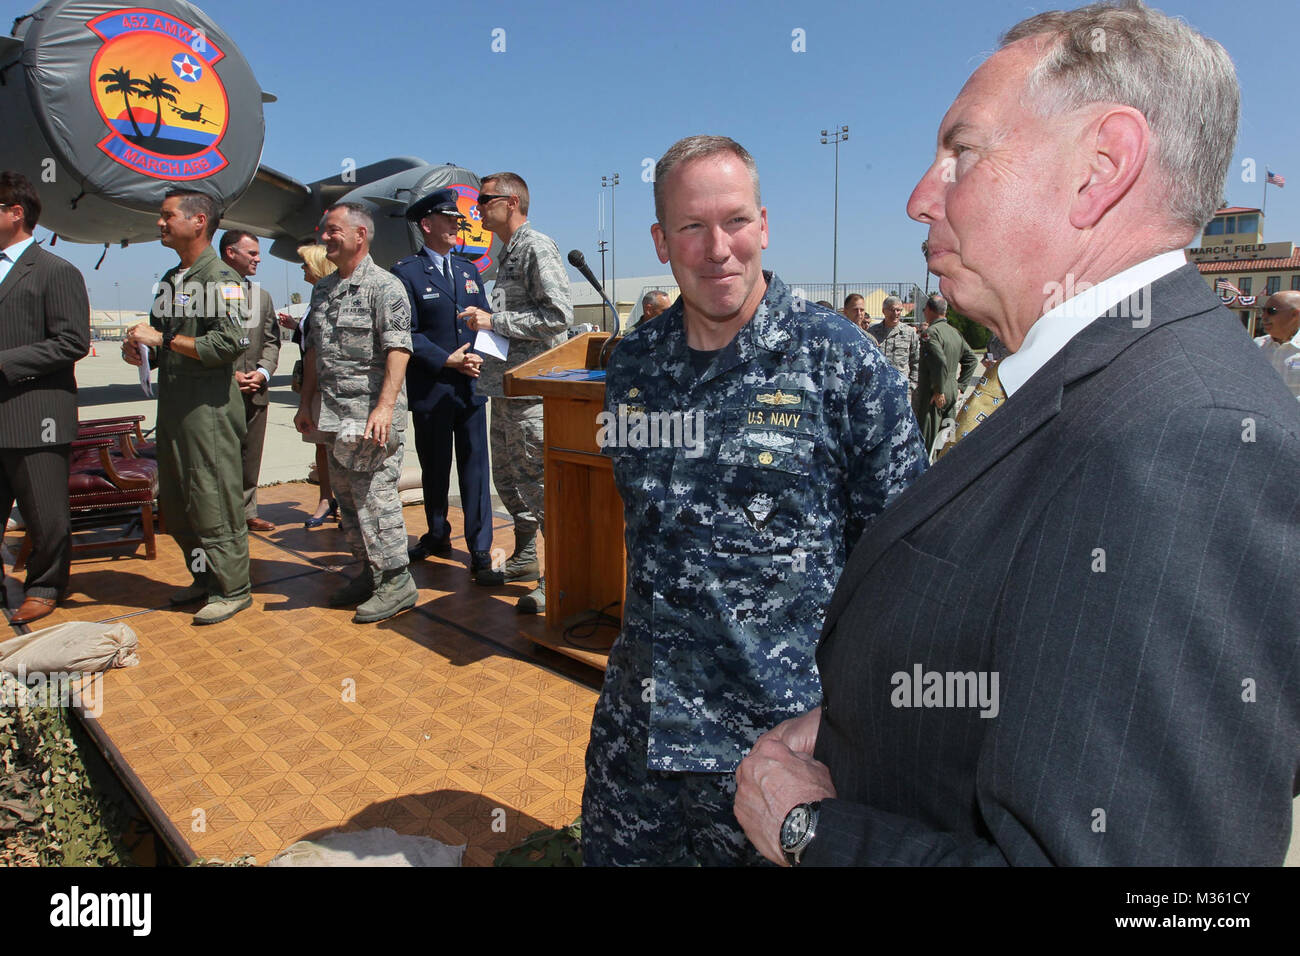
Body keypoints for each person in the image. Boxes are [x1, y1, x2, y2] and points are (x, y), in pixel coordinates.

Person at [735, 0, 1300, 866]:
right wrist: (877, 718)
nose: (921, 196)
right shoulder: (1107, 387)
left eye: (962, 153)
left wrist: (816, 832)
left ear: (1101, 167)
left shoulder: (1186, 441)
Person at [582, 135, 926, 865]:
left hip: (774, 755)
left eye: (736, 221)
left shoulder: (841, 363)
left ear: (764, 225)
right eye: (691, 227)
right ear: (661, 240)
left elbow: (906, 566)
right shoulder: (636, 365)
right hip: (638, 742)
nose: (718, 249)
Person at [123, 189, 251, 625]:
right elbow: (164, 341)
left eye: (167, 216)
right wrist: (143, 352)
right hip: (175, 407)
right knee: (178, 502)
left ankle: (233, 588)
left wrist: (163, 341)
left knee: (212, 498)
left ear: (198, 222)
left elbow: (229, 342)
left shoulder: (222, 280)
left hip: (208, 411)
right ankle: (203, 577)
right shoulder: (170, 279)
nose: (160, 223)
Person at [293, 203, 416, 624]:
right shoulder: (323, 289)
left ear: (359, 235)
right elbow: (313, 351)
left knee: (376, 498)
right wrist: (305, 402)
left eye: (332, 231)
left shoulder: (386, 287)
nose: (324, 238)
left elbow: (399, 349)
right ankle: (369, 572)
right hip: (333, 416)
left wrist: (384, 408)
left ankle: (398, 580)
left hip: (371, 418)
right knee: (347, 501)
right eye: (323, 231)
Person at [458, 172, 572, 612]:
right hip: (505, 391)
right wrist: (483, 320)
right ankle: (525, 556)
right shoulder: (506, 253)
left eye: (484, 201)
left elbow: (557, 315)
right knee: (510, 483)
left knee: (540, 487)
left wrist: (494, 322)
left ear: (510, 202)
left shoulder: (536, 246)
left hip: (532, 396)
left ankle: (558, 572)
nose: (478, 209)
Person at [0, 171, 90, 625]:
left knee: (45, 515)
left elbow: (72, 341)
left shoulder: (56, 271)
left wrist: (4, 363)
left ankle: (45, 584)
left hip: (34, 415)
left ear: (16, 213)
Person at [391, 189, 493, 577]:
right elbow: (407, 332)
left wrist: (479, 352)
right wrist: (446, 358)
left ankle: (481, 549)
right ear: (427, 225)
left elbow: (483, 319)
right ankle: (436, 533)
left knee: (475, 469)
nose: (456, 225)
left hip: (470, 386)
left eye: (457, 220)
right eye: (448, 220)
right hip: (433, 387)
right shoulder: (406, 272)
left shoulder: (469, 271)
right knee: (435, 467)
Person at [219, 230, 280, 533]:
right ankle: (220, 517)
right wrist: (229, 375)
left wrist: (262, 372)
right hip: (217, 393)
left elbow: (272, 342)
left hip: (255, 392)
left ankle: (246, 511)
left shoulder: (262, 297)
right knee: (218, 458)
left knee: (249, 456)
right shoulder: (202, 292)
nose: (259, 258)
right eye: (252, 253)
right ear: (231, 253)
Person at [281, 244, 340, 528]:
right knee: (320, 444)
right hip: (314, 385)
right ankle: (326, 499)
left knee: (338, 445)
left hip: (331, 386)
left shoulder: (332, 296)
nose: (303, 270)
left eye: (306, 265)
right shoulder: (315, 299)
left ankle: (340, 500)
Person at [913, 292, 978, 454]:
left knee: (928, 442)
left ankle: (927, 476)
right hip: (951, 390)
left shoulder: (931, 333)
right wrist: (960, 385)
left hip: (934, 394)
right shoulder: (954, 332)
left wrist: (939, 390)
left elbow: (939, 362)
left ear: (929, 309)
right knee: (947, 439)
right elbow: (971, 359)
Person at [867, 296, 920, 394]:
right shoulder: (872, 332)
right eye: (892, 310)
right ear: (884, 311)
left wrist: (912, 385)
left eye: (898, 310)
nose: (896, 313)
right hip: (877, 388)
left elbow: (916, 360)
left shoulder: (909, 333)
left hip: (901, 388)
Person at [1255, 291, 1300, 399]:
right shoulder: (1256, 346)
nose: (1263, 316)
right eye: (1263, 310)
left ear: (1295, 314)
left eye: (1271, 311)